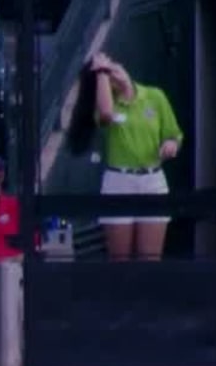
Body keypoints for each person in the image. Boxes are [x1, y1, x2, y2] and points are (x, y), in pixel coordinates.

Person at [72, 53, 183, 261]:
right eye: (104, 74)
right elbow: (106, 114)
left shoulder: (154, 96)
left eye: (111, 66)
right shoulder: (105, 105)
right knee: (120, 260)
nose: (112, 73)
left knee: (150, 258)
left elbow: (173, 133)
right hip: (119, 180)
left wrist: (171, 144)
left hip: (152, 179)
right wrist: (101, 73)